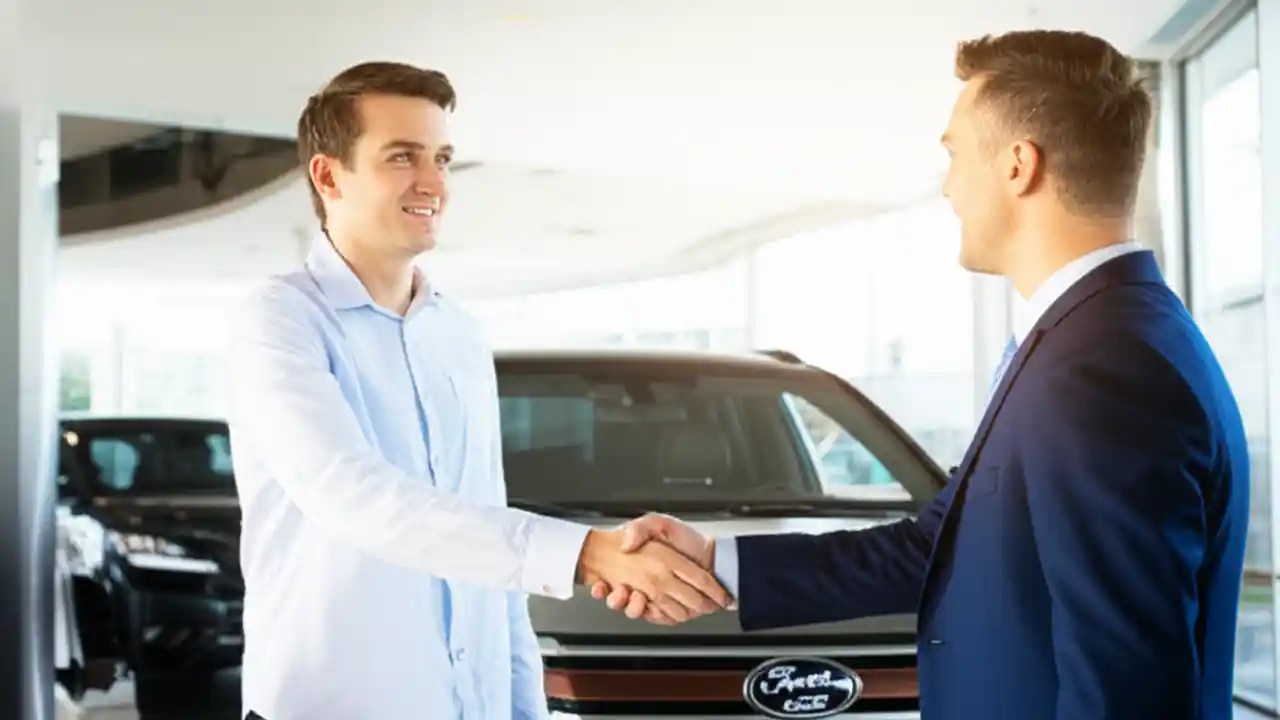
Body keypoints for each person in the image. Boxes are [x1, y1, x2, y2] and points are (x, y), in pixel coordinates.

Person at [595, 30, 1249, 720]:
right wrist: (713, 559)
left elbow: (1129, 689)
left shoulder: (1102, 369)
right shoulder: (1099, 339)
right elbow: (934, 546)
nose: (948, 186)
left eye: (955, 154)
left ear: (1018, 165)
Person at [226, 61, 730, 720]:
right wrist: (586, 553)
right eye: (402, 157)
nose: (433, 183)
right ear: (328, 175)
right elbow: (354, 497)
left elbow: (489, 552)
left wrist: (524, 708)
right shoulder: (281, 317)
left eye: (442, 158)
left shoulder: (458, 335)